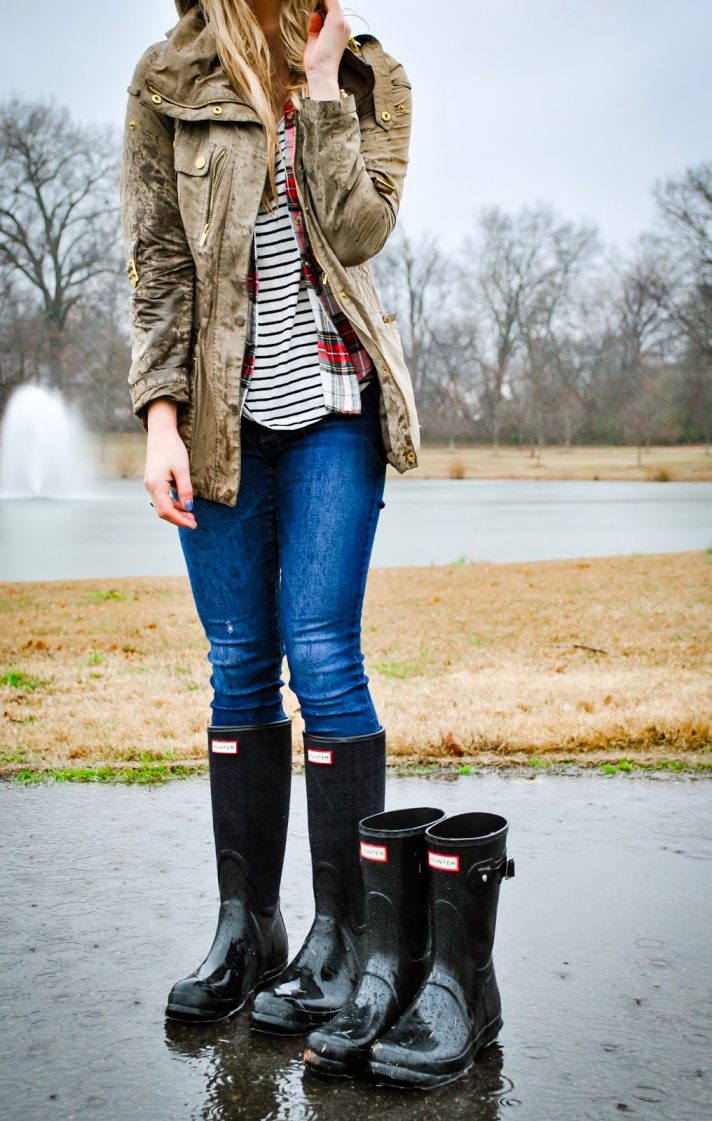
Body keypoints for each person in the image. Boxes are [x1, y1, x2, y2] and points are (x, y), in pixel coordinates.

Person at [120, 0, 419, 1033]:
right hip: (216, 422)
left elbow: (359, 229)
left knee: (322, 652)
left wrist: (326, 89)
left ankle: (345, 938)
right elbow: (158, 259)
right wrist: (160, 419)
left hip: (336, 407)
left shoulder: (372, 76)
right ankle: (248, 926)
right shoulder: (168, 79)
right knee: (239, 661)